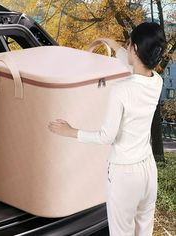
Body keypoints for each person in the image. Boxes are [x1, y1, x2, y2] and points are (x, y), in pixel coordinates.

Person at [48, 22, 167, 236]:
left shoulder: (121, 90)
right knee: (144, 231)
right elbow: (132, 62)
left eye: (129, 44)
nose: (126, 48)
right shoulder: (156, 81)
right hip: (148, 171)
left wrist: (70, 131)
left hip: (125, 175)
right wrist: (107, 42)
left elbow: (107, 136)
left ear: (135, 49)